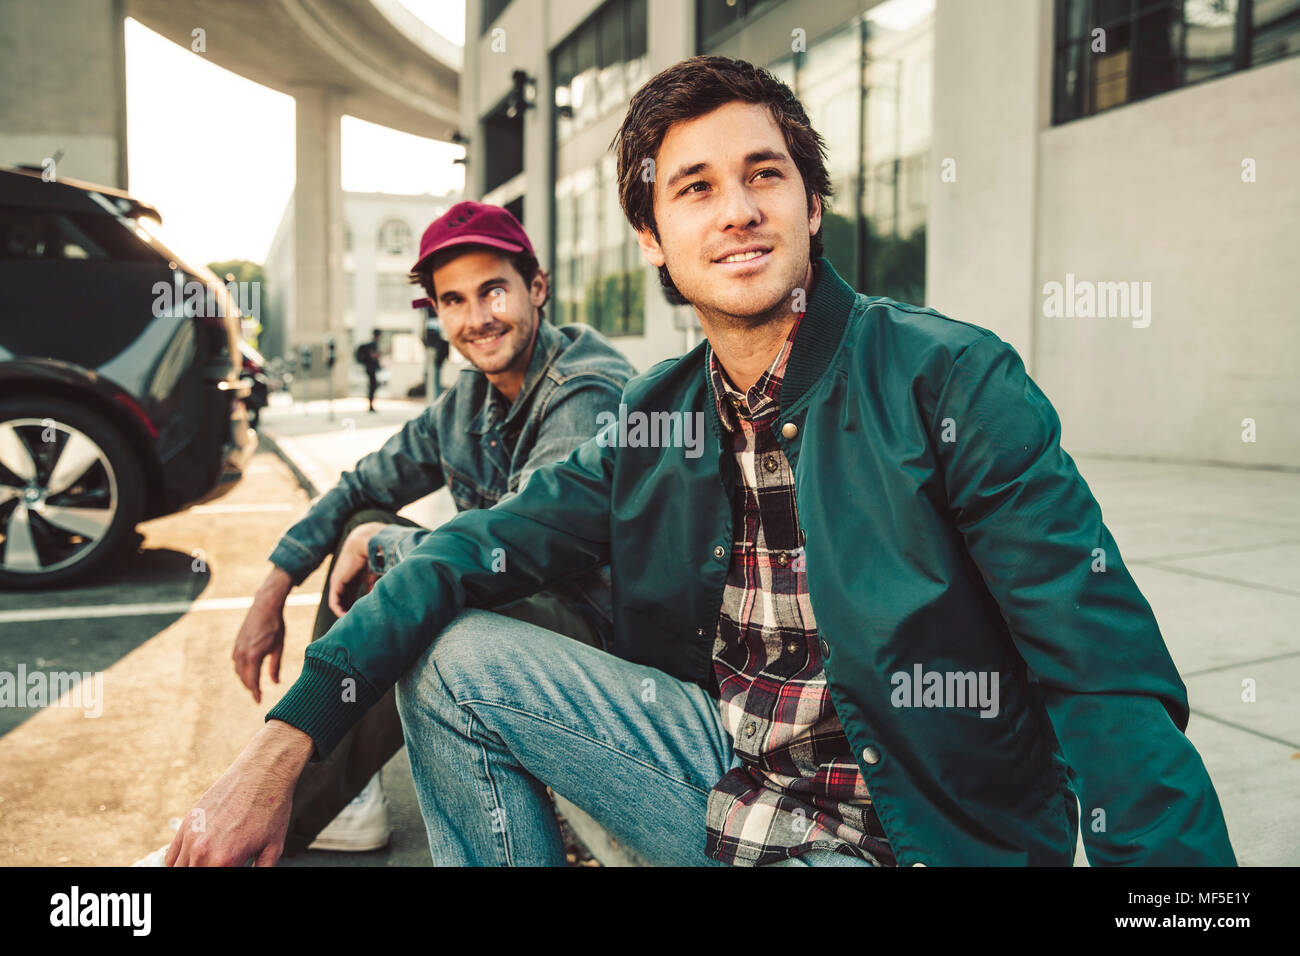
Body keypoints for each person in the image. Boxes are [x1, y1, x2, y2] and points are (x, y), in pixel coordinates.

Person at [170, 57, 1235, 867]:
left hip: (899, 833)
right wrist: (281, 746)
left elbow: (1101, 678)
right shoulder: (655, 418)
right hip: (721, 781)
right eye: (693, 188)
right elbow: (471, 549)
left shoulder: (948, 380)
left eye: (762, 175)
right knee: (449, 644)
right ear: (651, 235)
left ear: (810, 206)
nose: (735, 209)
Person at [225, 200, 635, 855]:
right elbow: (362, 484)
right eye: (453, 300)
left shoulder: (587, 393)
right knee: (364, 522)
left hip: (603, 643)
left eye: (494, 290)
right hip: (527, 607)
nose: (476, 318)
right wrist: (272, 587)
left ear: (537, 288)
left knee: (419, 591)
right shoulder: (466, 402)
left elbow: (513, 544)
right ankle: (344, 791)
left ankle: (277, 822)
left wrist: (384, 546)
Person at [357, 330, 382, 412]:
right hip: (370, 369)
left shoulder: (373, 344)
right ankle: (370, 405)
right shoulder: (373, 344)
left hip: (370, 368)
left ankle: (371, 405)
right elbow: (373, 355)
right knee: (372, 386)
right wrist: (378, 355)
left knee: (373, 386)